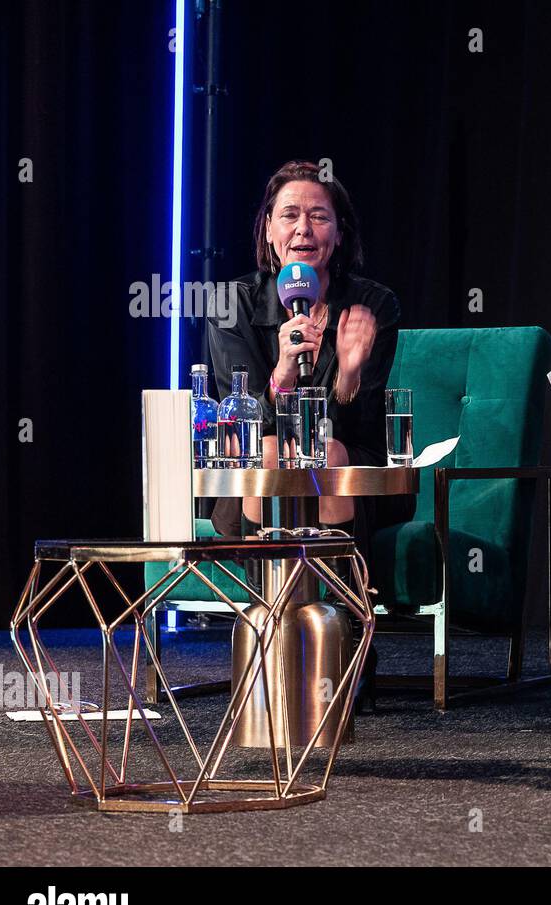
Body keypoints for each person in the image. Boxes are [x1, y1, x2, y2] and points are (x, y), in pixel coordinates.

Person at [208, 159, 402, 709]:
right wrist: (286, 369)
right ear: (267, 230)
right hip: (251, 473)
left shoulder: (372, 305)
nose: (303, 229)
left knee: (325, 451)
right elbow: (233, 421)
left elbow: (364, 425)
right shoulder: (233, 305)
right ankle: (271, 643)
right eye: (289, 214)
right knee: (272, 449)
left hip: (349, 470)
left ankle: (345, 650)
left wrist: (346, 373)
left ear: (338, 235)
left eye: (319, 216)